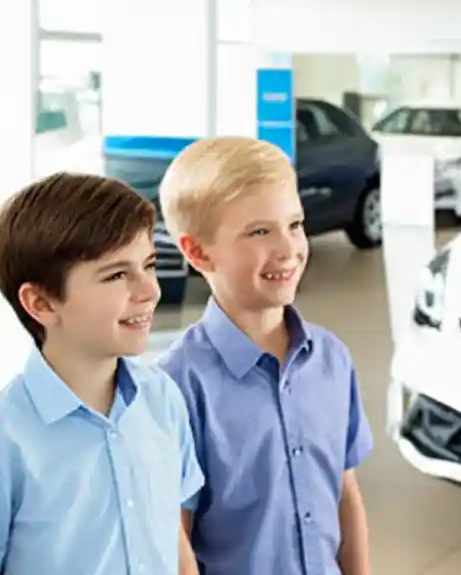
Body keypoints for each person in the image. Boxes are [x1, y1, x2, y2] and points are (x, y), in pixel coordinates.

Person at [0, 172, 203, 575]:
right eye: (117, 274)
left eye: (148, 265)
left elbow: (174, 537)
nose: (149, 289)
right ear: (42, 303)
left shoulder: (163, 399)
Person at [157, 137, 374, 575]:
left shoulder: (332, 359)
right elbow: (173, 535)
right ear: (197, 252)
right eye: (260, 231)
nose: (288, 249)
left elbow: (344, 490)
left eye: (294, 224)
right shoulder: (176, 385)